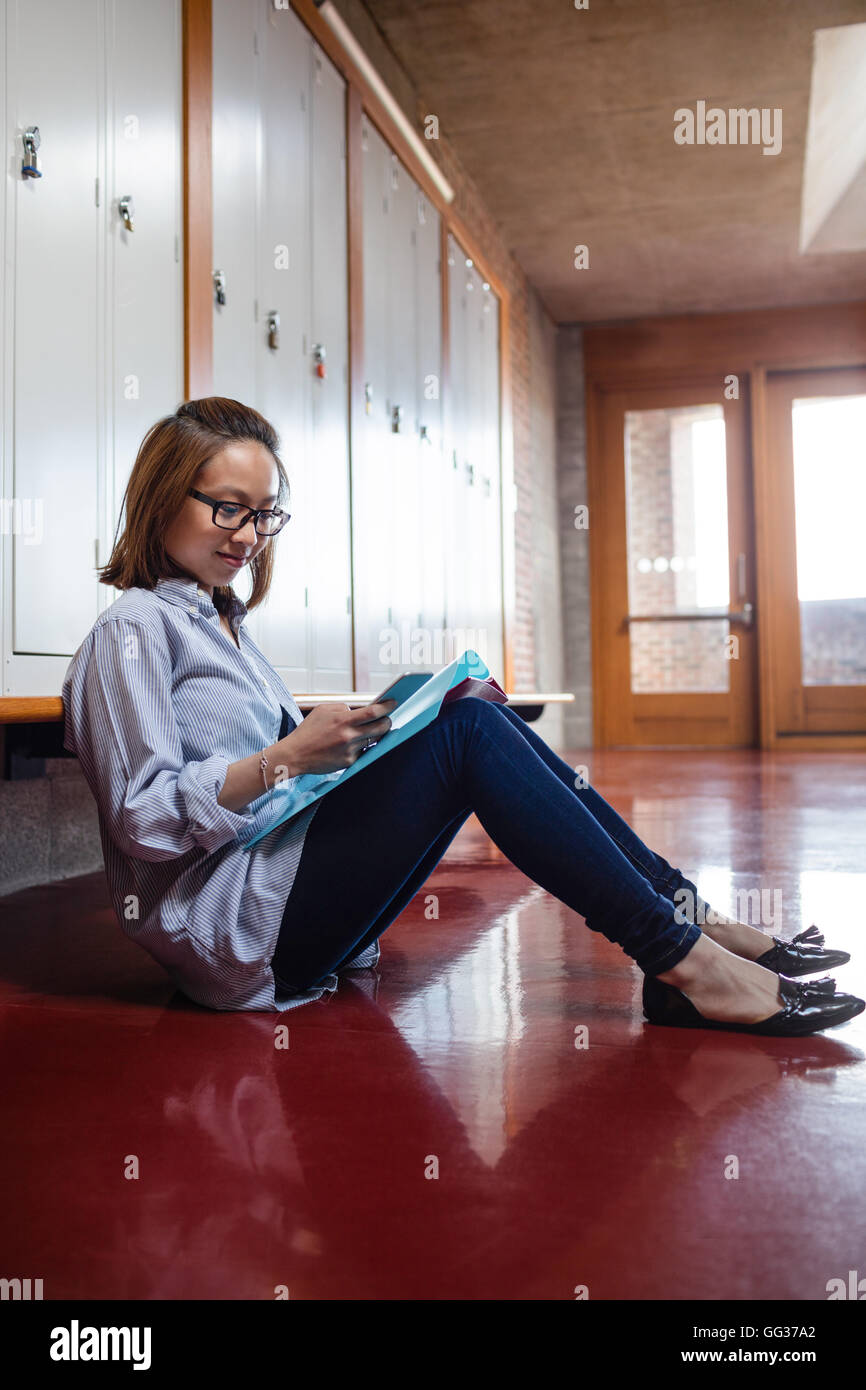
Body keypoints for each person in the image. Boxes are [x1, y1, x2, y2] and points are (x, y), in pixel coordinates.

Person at [61, 398, 864, 1035]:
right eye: (228, 509)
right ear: (166, 497)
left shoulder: (223, 623)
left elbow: (270, 778)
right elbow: (141, 818)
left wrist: (356, 744)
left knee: (473, 709)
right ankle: (686, 965)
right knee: (470, 735)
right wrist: (290, 757)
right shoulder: (130, 630)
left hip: (284, 887)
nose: (251, 536)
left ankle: (693, 922)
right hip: (236, 927)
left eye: (265, 514)